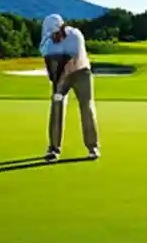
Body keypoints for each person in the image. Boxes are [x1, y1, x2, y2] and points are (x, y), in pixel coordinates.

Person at [38, 14, 100, 162]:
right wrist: (55, 85)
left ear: (62, 28)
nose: (53, 37)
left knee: (87, 107)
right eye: (51, 34)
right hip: (61, 76)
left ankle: (93, 147)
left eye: (55, 33)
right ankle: (53, 149)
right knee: (56, 105)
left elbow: (67, 62)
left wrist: (59, 80)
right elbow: (51, 65)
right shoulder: (48, 42)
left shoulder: (75, 36)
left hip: (81, 73)